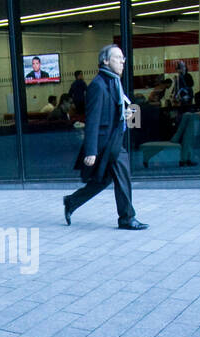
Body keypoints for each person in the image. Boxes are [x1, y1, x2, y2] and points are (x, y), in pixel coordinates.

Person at [62, 44, 147, 231]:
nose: (122, 62)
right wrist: (91, 151)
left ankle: (71, 201)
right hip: (106, 143)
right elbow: (92, 119)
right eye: (118, 58)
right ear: (105, 61)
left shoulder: (114, 81)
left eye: (123, 58)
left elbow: (115, 108)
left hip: (114, 139)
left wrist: (125, 114)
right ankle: (127, 218)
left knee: (104, 180)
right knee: (123, 175)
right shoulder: (97, 85)